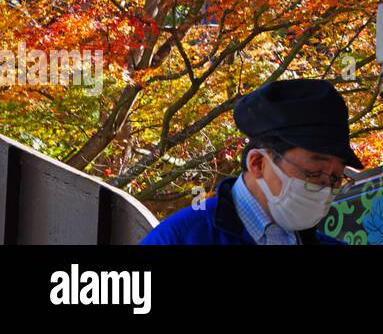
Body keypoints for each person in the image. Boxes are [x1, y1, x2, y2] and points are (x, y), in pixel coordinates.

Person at [140, 79, 361, 244]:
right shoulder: (181, 238)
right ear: (257, 163)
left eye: (335, 178)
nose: (324, 189)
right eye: (314, 172)